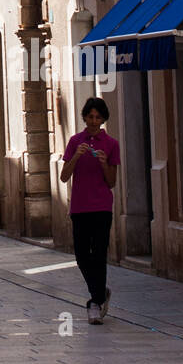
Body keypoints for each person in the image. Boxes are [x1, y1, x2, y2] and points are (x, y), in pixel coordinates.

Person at [60, 97, 120, 324]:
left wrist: (104, 163)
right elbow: (64, 176)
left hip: (102, 207)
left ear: (103, 119)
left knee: (99, 255)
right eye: (91, 117)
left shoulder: (111, 144)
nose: (94, 121)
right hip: (80, 207)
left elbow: (112, 182)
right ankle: (100, 292)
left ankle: (94, 304)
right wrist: (76, 156)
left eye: (98, 117)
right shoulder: (75, 141)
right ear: (84, 117)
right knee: (82, 256)